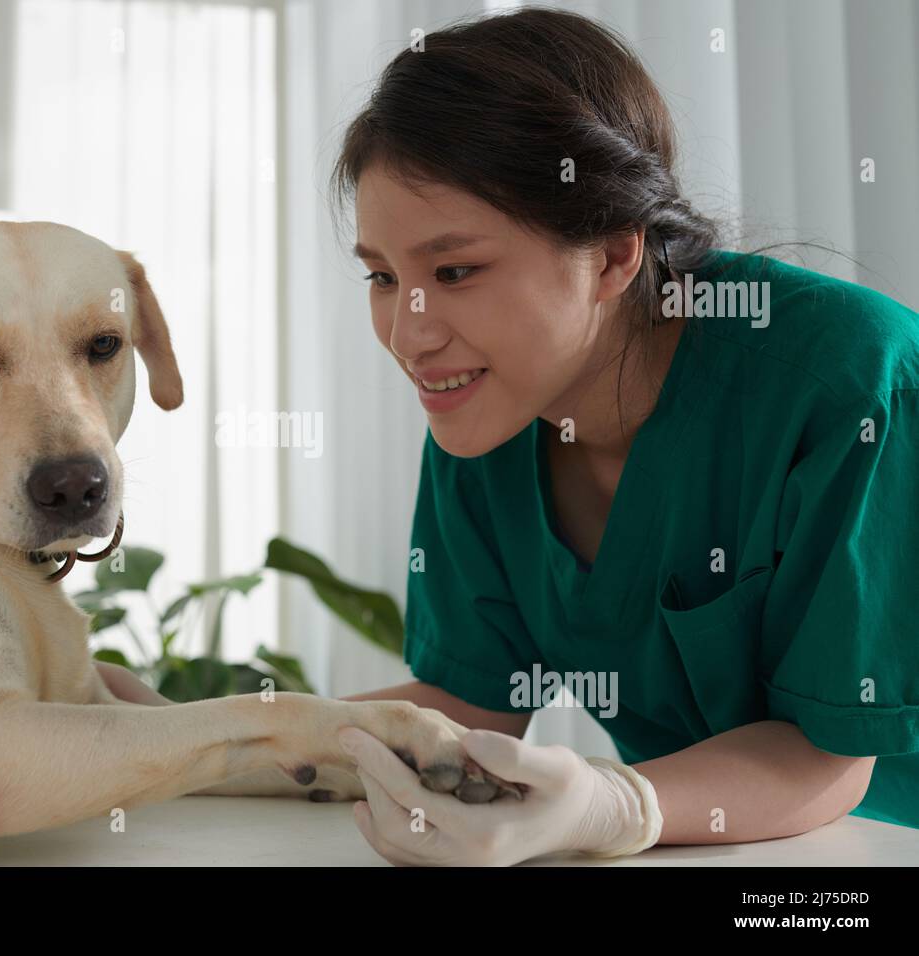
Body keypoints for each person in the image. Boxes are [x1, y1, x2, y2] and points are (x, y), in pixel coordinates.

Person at [102, 6, 919, 866]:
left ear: (611, 255)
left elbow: (833, 760)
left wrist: (616, 801)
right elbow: (471, 700)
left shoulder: (847, 382)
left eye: (455, 271)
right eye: (383, 276)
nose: (408, 333)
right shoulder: (490, 411)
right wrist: (218, 750)